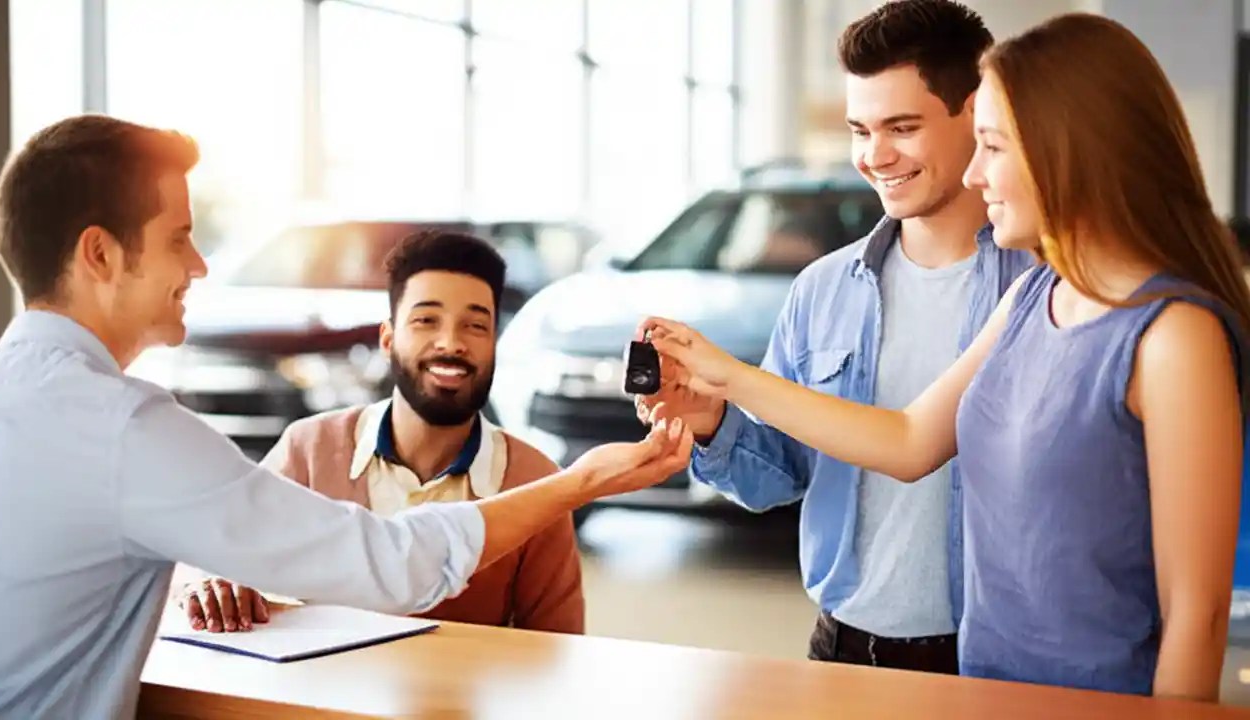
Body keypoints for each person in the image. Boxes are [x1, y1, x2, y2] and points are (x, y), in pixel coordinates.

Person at [0, 114, 692, 719]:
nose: (199, 265)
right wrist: (581, 482)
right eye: (177, 237)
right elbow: (393, 565)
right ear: (99, 253)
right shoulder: (128, 431)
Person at [642, 12, 1249, 701]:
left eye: (991, 145)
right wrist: (726, 386)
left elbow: (1195, 619)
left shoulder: (1162, 331)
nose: (975, 175)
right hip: (964, 687)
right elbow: (906, 441)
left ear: (1062, 149)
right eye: (859, 131)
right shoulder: (1033, 297)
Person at [638, 0, 1029, 674]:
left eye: (902, 127)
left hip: (994, 659)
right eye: (860, 129)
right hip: (840, 647)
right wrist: (713, 424)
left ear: (976, 113)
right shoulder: (822, 291)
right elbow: (779, 476)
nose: (875, 156)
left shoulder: (1043, 287)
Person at [178, 231, 585, 636]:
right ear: (388, 339)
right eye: (426, 320)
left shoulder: (536, 482)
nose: (451, 342)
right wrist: (213, 580)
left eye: (476, 326)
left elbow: (559, 651)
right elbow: (218, 549)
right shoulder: (310, 449)